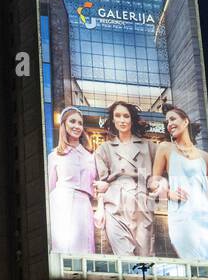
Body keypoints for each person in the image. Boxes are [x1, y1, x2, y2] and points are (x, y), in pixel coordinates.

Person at [152, 105, 208, 261]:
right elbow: (152, 182)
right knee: (193, 264)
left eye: (172, 119)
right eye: (166, 122)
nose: (169, 124)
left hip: (206, 219)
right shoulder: (165, 148)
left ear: (185, 121)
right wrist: (168, 193)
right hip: (181, 217)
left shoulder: (205, 156)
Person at [92, 100, 158, 257]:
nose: (122, 120)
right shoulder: (103, 149)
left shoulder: (148, 146)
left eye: (126, 116)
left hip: (141, 205)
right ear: (113, 120)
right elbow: (102, 183)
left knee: (145, 261)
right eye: (118, 116)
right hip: (114, 205)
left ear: (132, 119)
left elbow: (159, 175)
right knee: (125, 259)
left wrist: (159, 185)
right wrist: (100, 208)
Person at [46, 106, 96, 255]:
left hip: (84, 205)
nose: (77, 126)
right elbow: (49, 188)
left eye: (80, 123)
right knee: (63, 248)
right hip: (61, 204)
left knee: (85, 249)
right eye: (72, 121)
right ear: (64, 124)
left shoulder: (90, 156)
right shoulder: (54, 156)